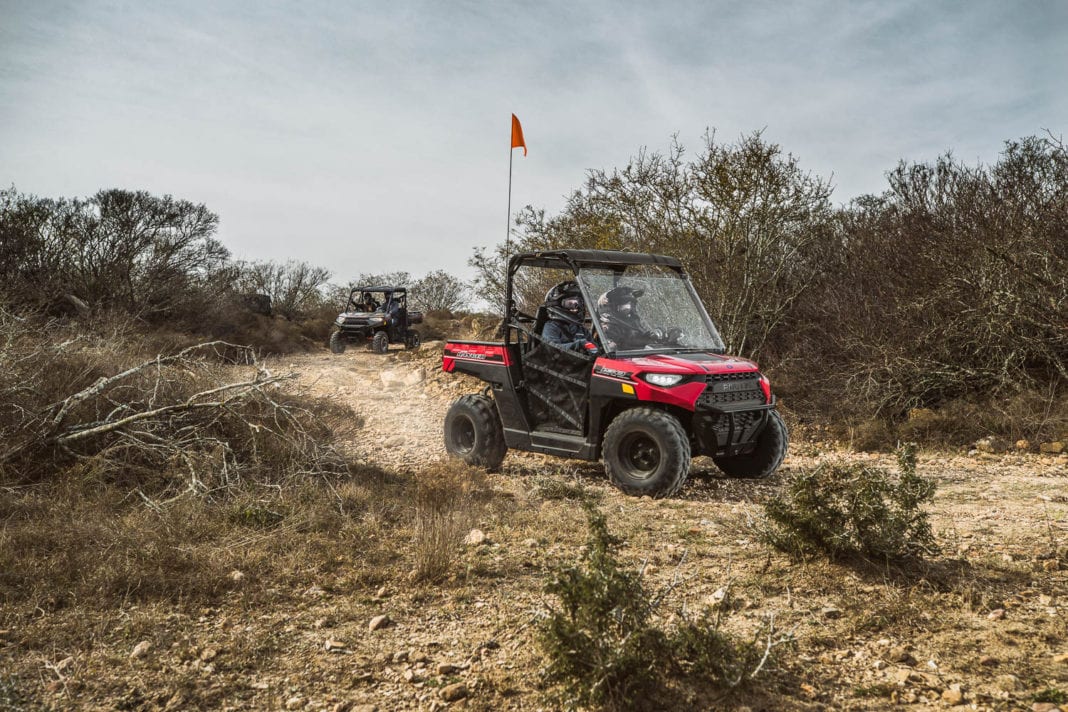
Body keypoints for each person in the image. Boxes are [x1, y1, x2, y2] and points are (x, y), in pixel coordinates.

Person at [596, 286, 665, 351]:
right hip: (623, 359)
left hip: (644, 357)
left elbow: (640, 335)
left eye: (630, 303)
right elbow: (626, 342)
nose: (628, 307)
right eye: (623, 303)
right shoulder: (607, 328)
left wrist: (655, 334)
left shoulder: (631, 322)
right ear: (613, 307)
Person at [541, 281, 598, 354]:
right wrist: (579, 345)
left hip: (585, 364)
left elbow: (595, 350)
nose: (576, 307)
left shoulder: (581, 329)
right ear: (558, 304)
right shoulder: (551, 327)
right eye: (570, 304)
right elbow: (552, 349)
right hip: (561, 364)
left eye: (578, 303)